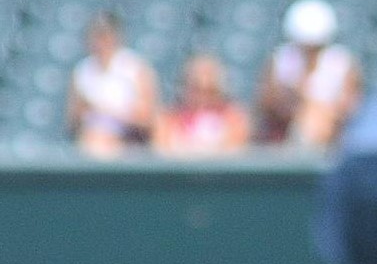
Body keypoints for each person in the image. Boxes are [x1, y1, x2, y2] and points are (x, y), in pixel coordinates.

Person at [255, 0, 362, 148]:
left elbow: (348, 105)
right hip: (286, 127)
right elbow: (268, 101)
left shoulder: (341, 62)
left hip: (330, 133)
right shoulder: (281, 59)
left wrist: (317, 109)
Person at [66, 11, 160, 158]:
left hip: (127, 141)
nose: (100, 42)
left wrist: (104, 110)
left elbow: (147, 118)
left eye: (105, 35)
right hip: (90, 139)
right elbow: (73, 120)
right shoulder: (82, 71)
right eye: (96, 35)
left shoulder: (134, 68)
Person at [153, 52, 251, 156]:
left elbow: (235, 150)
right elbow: (162, 150)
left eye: (209, 92)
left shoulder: (235, 118)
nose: (202, 99)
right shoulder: (168, 118)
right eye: (197, 90)